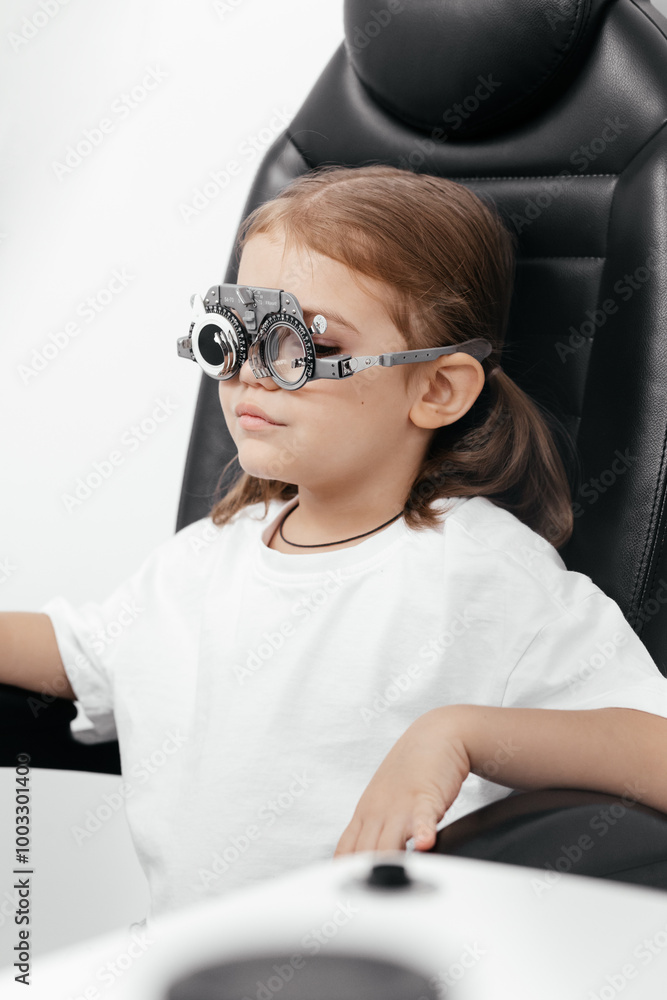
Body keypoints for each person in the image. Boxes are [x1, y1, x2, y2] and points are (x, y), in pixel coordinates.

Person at [4, 164, 667, 927]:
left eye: (298, 343)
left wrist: (458, 735)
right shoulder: (203, 559)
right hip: (191, 966)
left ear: (436, 389)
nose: (251, 372)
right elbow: (83, 651)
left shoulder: (479, 574)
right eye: (235, 334)